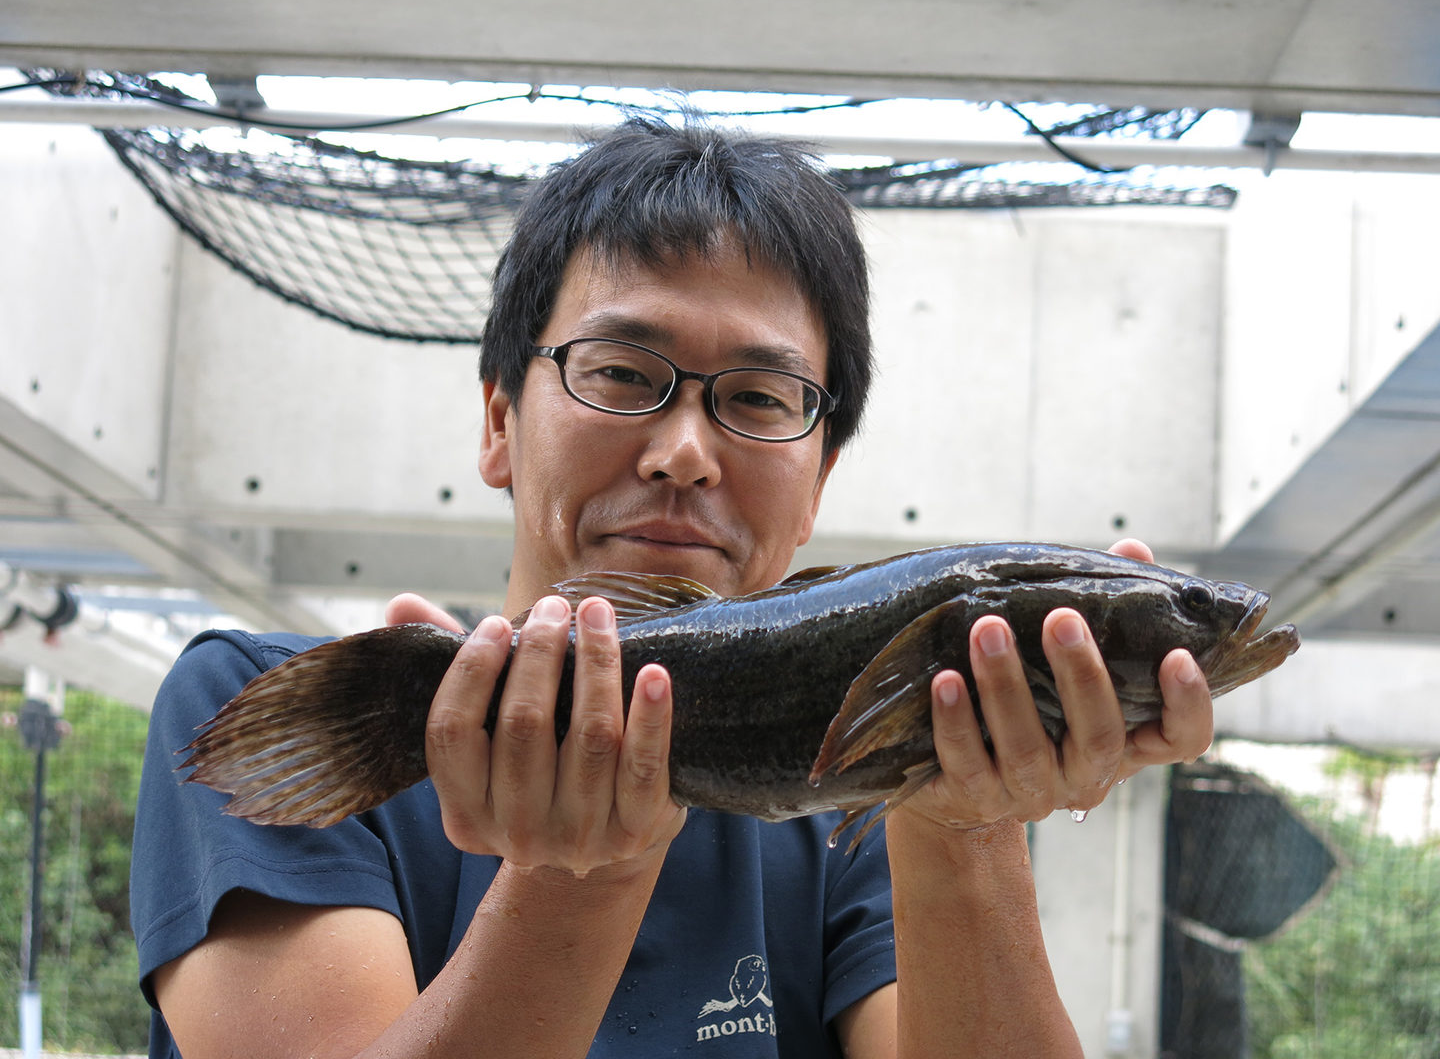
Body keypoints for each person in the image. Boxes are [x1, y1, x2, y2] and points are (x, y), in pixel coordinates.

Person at [131, 118, 1214, 1058]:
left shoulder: (863, 807)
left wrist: (970, 830)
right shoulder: (280, 702)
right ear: (500, 419)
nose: (685, 451)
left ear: (819, 479)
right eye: (620, 374)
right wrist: (586, 870)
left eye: (757, 397)